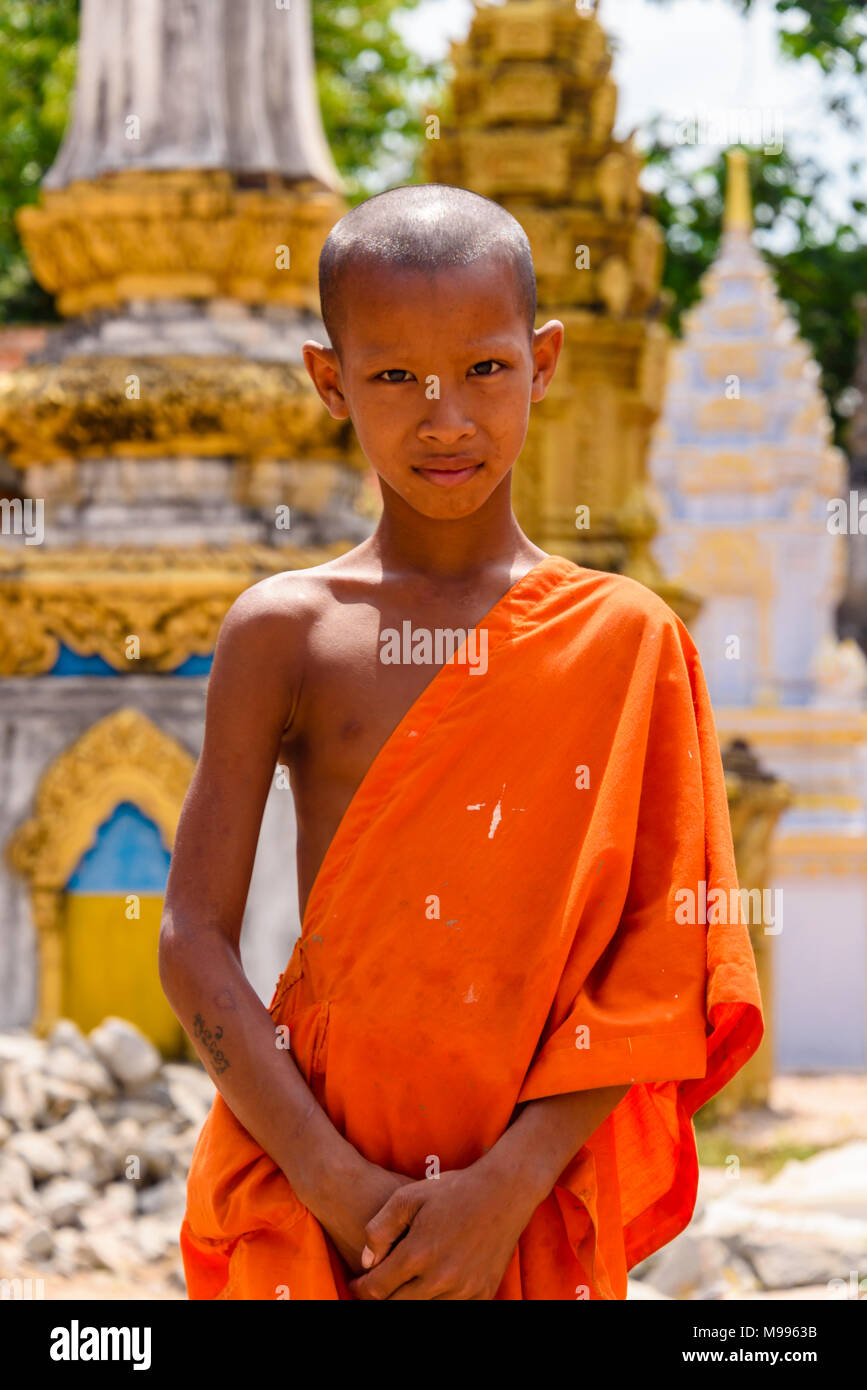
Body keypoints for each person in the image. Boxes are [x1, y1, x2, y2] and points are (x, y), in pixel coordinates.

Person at [161, 183, 763, 1301]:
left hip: (529, 1202)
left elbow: (661, 963)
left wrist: (508, 1188)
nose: (446, 419)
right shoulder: (288, 630)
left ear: (544, 362)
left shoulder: (625, 638)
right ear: (330, 382)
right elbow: (193, 937)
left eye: (485, 369)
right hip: (312, 1193)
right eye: (395, 377)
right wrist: (340, 1188)